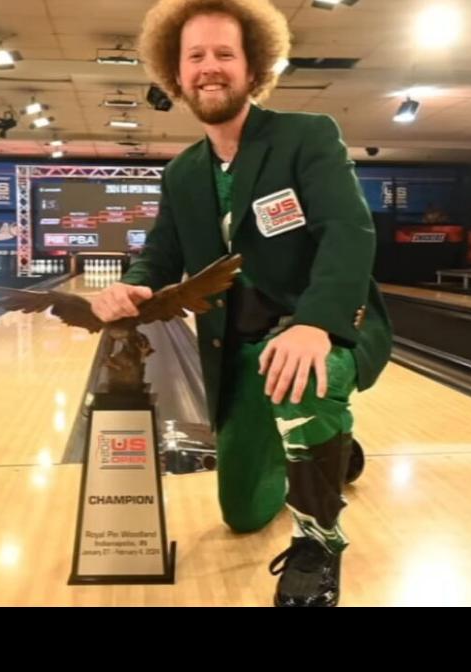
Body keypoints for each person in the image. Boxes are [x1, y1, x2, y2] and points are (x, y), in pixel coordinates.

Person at [90, 0, 392, 607]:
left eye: (224, 54)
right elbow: (161, 253)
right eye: (195, 56)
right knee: (243, 514)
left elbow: (347, 232)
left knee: (302, 378)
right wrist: (134, 285)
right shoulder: (182, 173)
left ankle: (317, 545)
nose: (210, 67)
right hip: (236, 350)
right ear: (176, 74)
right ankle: (333, 454)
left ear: (253, 68)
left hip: (316, 329)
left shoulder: (305, 137)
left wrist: (314, 323)